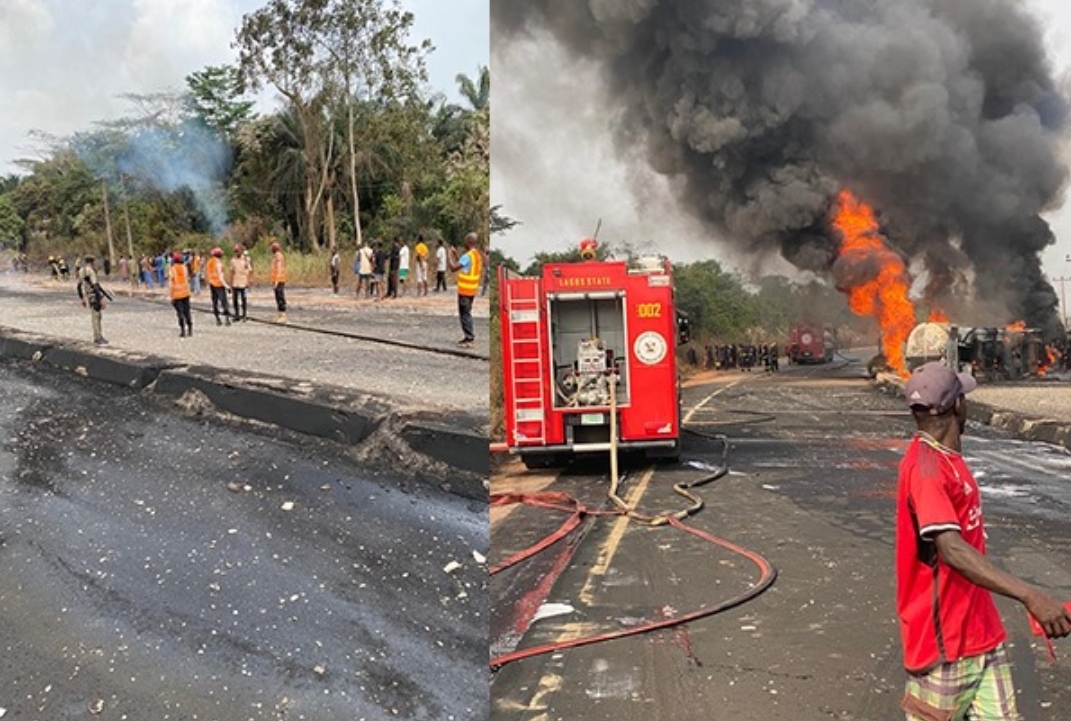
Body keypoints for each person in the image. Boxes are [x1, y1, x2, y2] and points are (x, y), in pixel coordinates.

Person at [896, 361, 1071, 721]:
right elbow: (951, 549)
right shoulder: (926, 470)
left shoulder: (949, 460)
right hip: (943, 648)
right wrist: (1031, 595)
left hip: (981, 635)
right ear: (958, 406)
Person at [447, 233, 481, 348]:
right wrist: (456, 255)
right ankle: (468, 336)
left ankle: (469, 338)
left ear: (468, 242)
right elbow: (463, 266)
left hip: (465, 290)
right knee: (467, 313)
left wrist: (449, 255)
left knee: (465, 314)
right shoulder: (476, 255)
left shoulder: (467, 256)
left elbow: (453, 268)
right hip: (472, 290)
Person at [76, 255, 109, 345]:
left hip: (88, 295)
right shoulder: (91, 271)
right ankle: (98, 337)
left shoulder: (81, 271)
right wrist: (101, 298)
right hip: (94, 295)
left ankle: (98, 336)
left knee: (95, 315)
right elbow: (95, 286)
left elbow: (79, 286)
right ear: (92, 261)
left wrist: (82, 298)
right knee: (96, 316)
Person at [169, 251, 193, 337]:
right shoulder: (184, 268)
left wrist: (171, 295)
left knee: (180, 313)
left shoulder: (172, 269)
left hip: (177, 294)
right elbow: (187, 279)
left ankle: (183, 331)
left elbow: (171, 283)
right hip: (186, 293)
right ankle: (190, 329)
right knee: (187, 312)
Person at [206, 247, 232, 326]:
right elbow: (220, 277)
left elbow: (207, 274)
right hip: (219, 285)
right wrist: (227, 286)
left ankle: (218, 320)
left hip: (212, 284)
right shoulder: (218, 263)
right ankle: (227, 320)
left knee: (215, 302)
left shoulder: (209, 262)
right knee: (224, 302)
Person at [229, 243, 252, 321]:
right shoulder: (233, 260)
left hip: (244, 282)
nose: (236, 252)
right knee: (234, 300)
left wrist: (248, 282)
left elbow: (249, 271)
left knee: (243, 299)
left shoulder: (246, 260)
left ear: (241, 251)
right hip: (236, 282)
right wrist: (231, 284)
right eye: (235, 251)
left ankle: (244, 315)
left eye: (237, 250)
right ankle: (237, 315)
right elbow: (232, 272)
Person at [269, 241, 287, 323]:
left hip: (279, 280)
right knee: (277, 297)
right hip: (275, 280)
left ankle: (283, 315)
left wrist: (276, 281)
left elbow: (279, 269)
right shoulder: (275, 257)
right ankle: (279, 314)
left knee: (280, 297)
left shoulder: (279, 257)